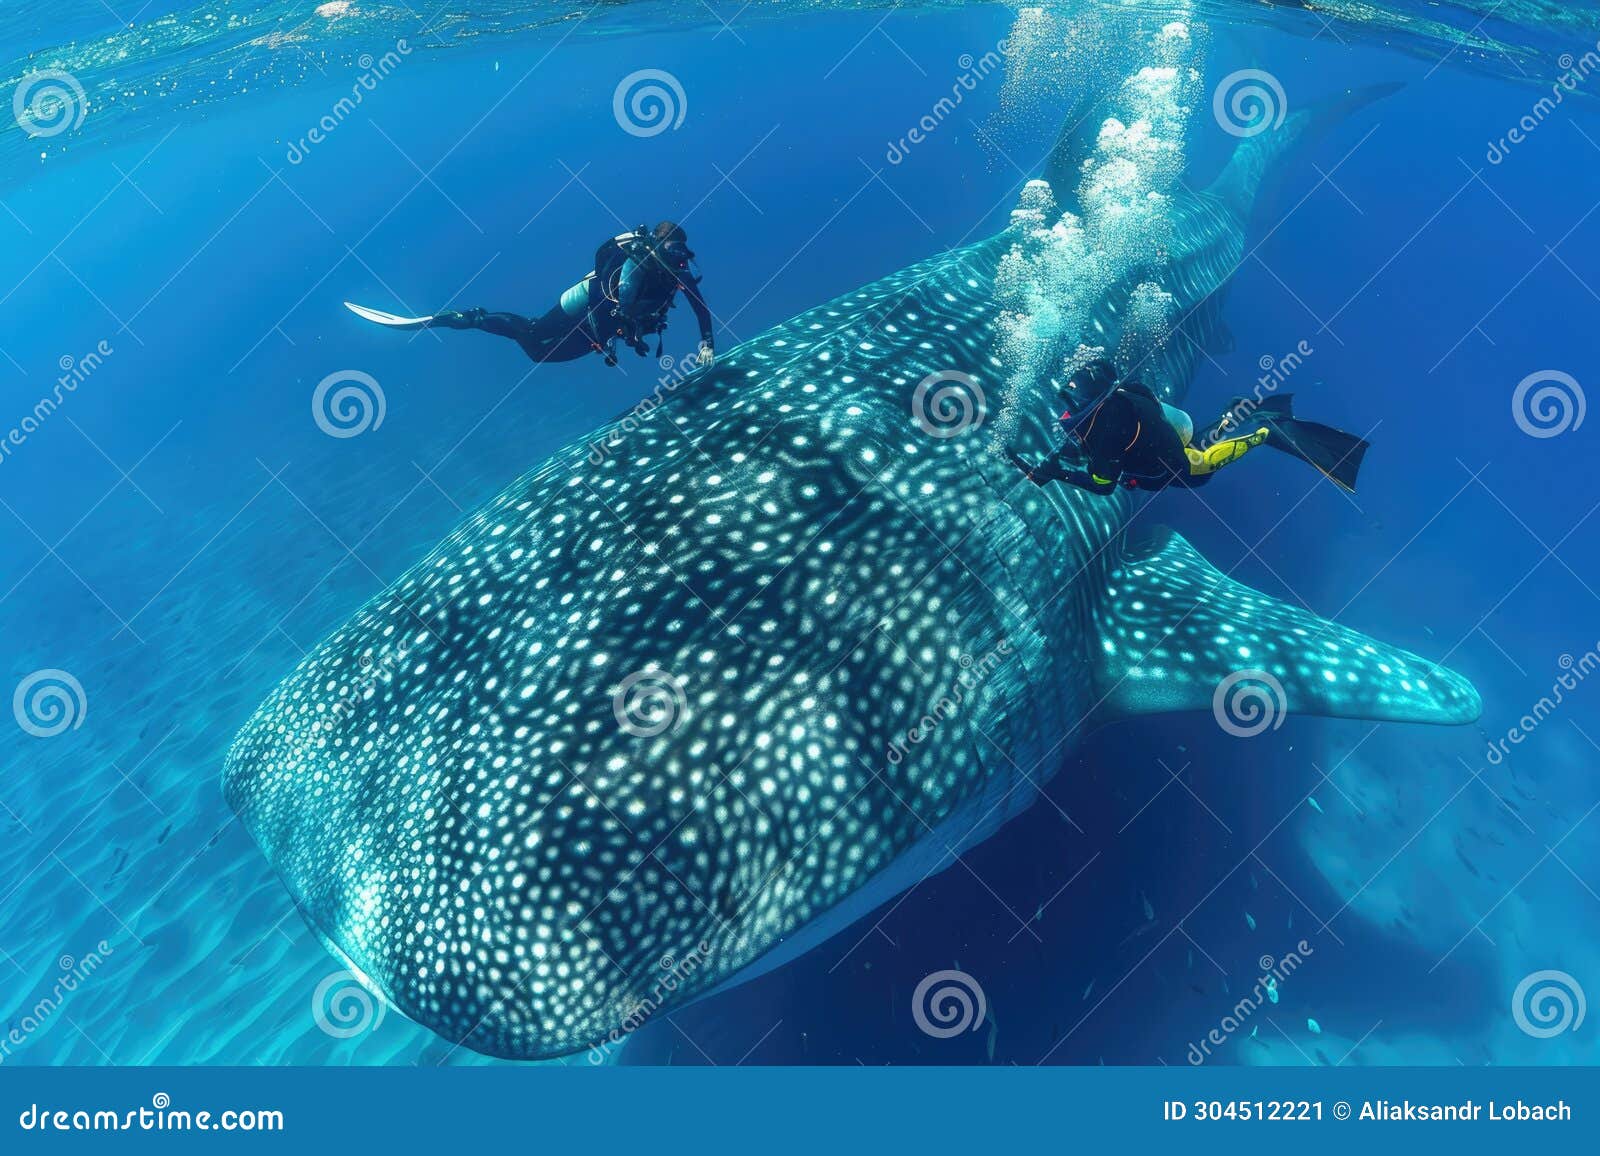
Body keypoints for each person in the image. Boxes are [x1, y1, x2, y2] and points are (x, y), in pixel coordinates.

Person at [1011, 358, 1368, 495]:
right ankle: (1235, 411)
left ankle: (1263, 433)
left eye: (1074, 405)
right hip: (1166, 434)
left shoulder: (1107, 430)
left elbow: (1102, 486)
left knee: (1201, 463)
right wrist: (1056, 461)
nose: (1068, 413)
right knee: (1191, 443)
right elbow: (1088, 441)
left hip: (1173, 463)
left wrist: (1057, 473)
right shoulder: (1116, 402)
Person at [426, 221, 715, 368]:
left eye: (680, 253)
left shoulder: (680, 274)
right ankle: (473, 318)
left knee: (539, 354)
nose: (677, 258)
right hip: (585, 300)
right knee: (536, 329)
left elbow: (701, 309)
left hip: (604, 329)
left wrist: (707, 345)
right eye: (671, 251)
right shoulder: (633, 263)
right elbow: (616, 292)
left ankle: (490, 322)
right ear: (656, 245)